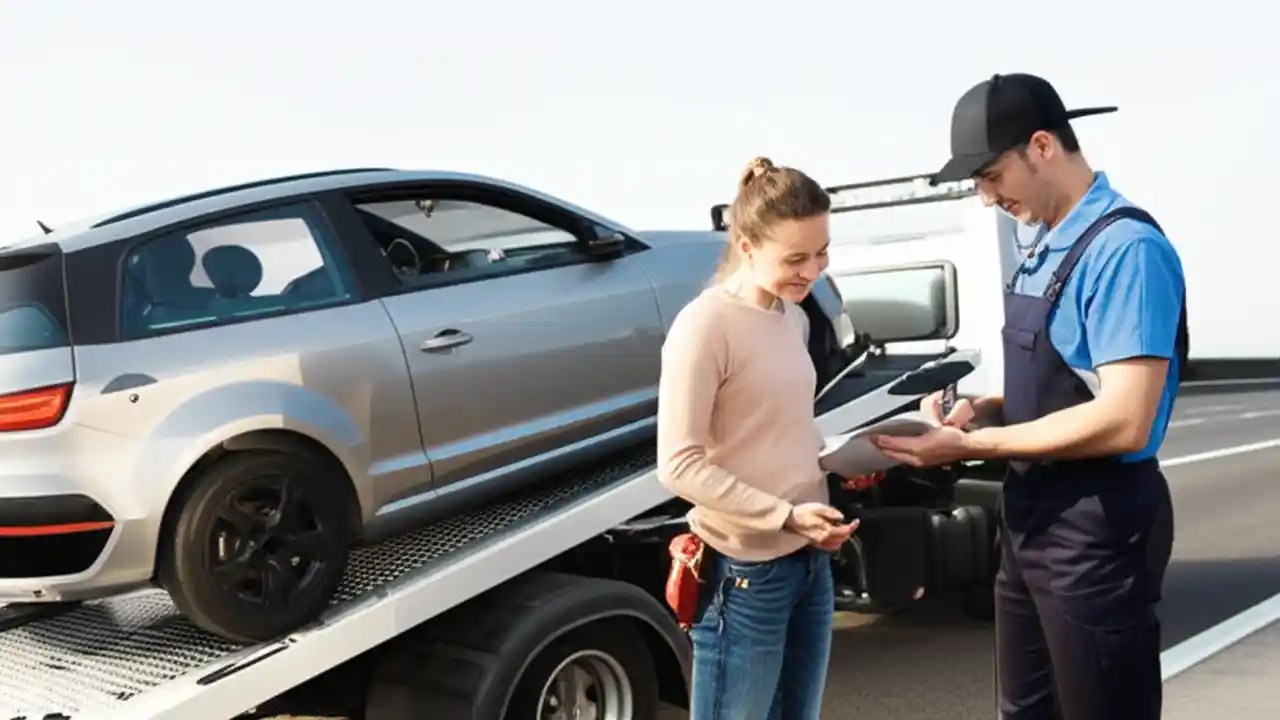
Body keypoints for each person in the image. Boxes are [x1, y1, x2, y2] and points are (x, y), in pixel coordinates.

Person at [871, 73, 1188, 720]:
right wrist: (982, 411)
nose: (987, 199)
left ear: (1041, 146)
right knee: (1024, 710)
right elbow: (1060, 385)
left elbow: (1125, 420)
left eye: (991, 177)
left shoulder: (1125, 249)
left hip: (1097, 524)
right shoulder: (1040, 241)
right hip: (1030, 516)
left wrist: (971, 445)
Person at [656, 156, 857, 720]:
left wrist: (855, 453)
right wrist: (784, 514)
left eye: (821, 253)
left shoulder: (790, 317)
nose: (812, 270)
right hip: (743, 575)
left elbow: (777, 428)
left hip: (809, 563)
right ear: (746, 245)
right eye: (795, 257)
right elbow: (677, 464)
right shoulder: (705, 327)